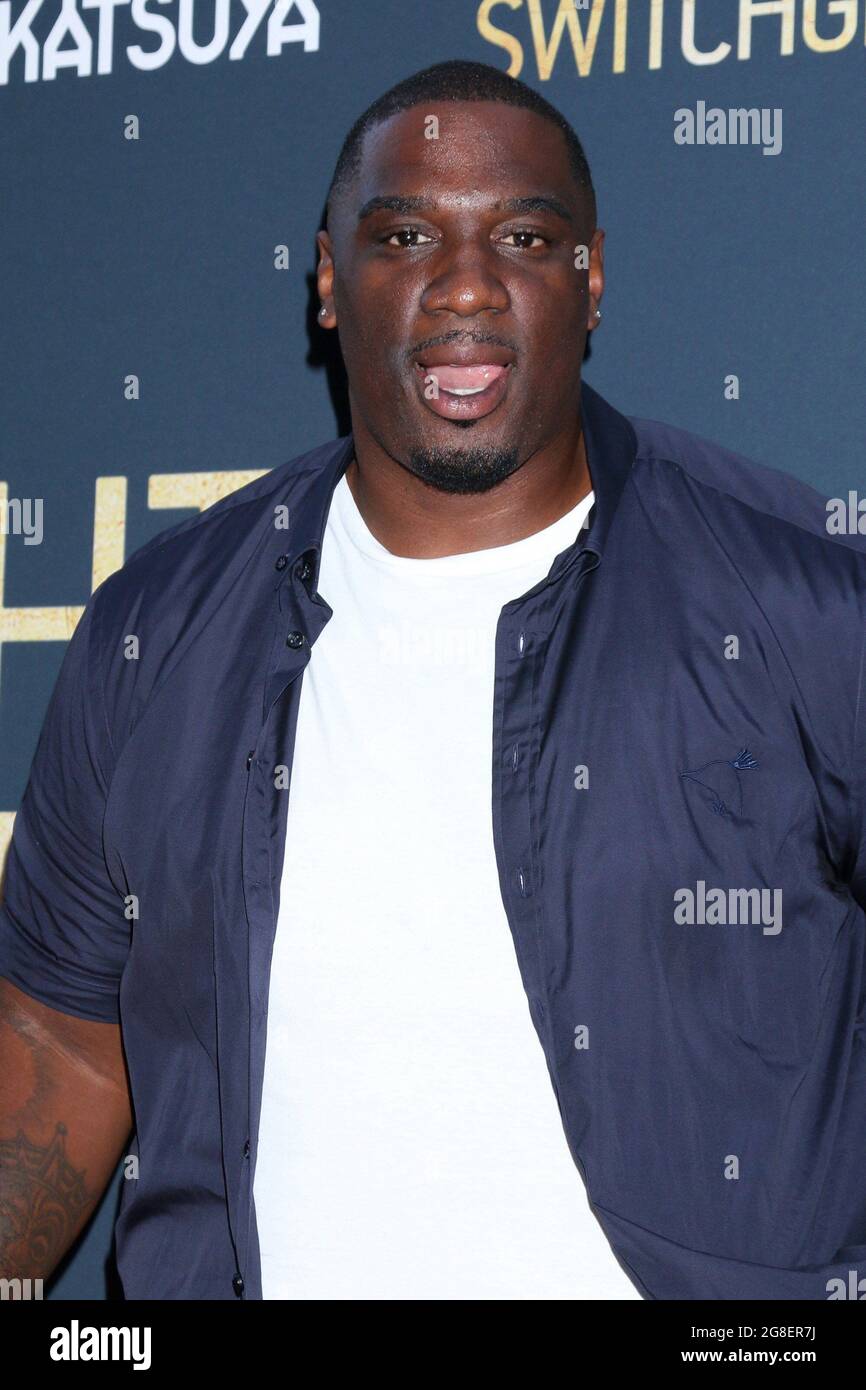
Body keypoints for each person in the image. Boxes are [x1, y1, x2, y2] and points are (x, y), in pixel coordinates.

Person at [2, 58, 865, 1302]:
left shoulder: (802, 603)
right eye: (402, 234)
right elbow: (62, 1043)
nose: (463, 283)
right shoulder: (158, 630)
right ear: (325, 282)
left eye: (522, 235)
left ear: (592, 278)